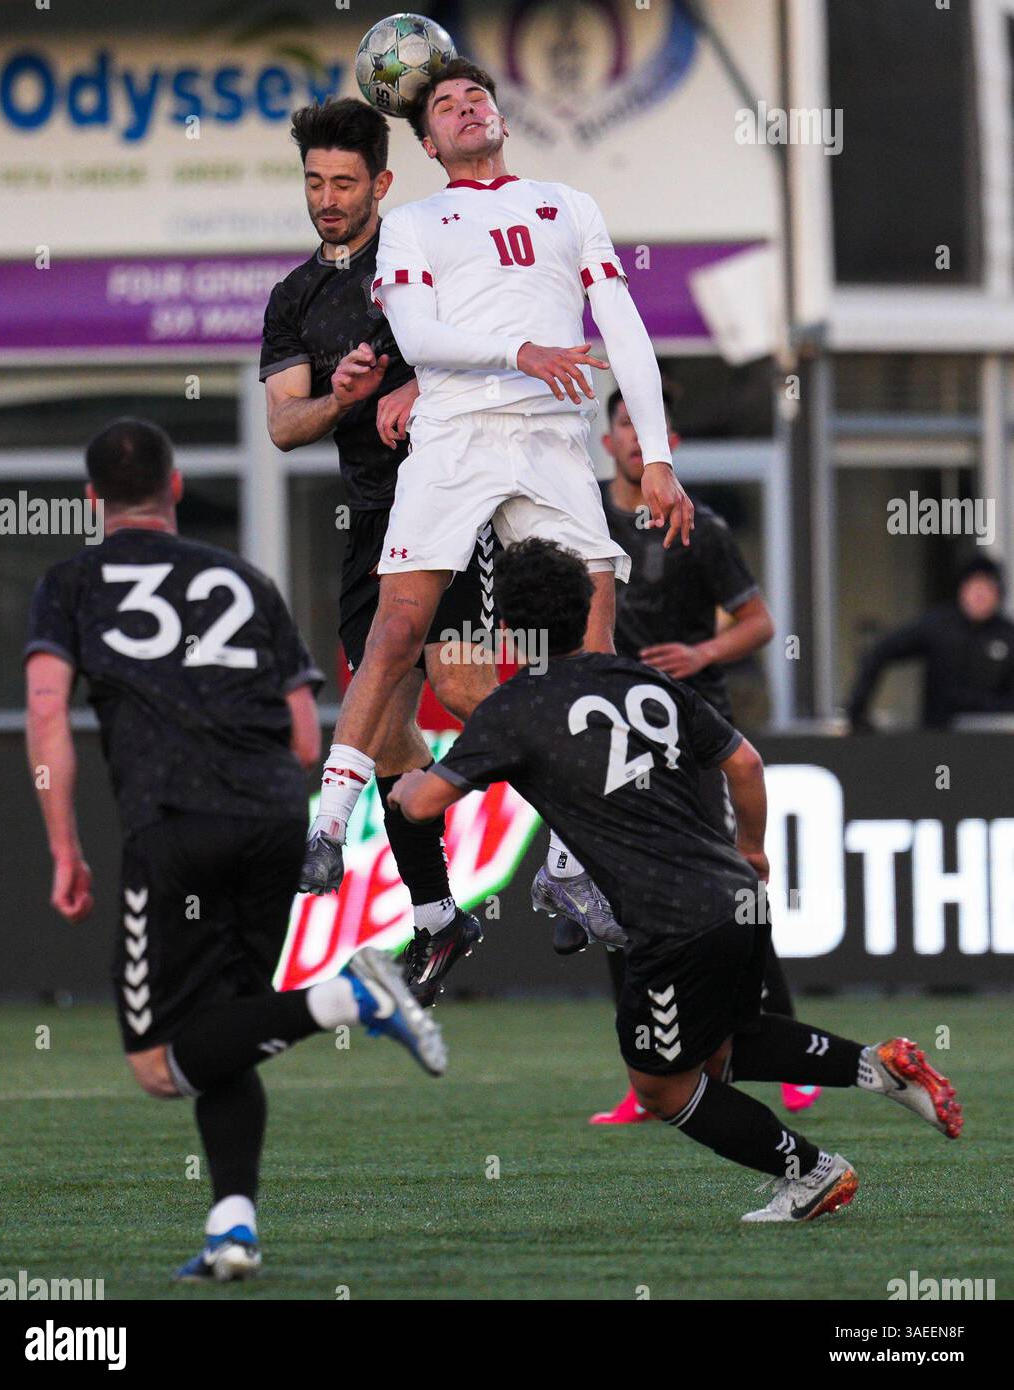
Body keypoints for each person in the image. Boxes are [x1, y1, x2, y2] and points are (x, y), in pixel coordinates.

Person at [389, 539, 962, 1223]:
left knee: (662, 1089)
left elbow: (423, 804)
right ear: (586, 611)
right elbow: (744, 765)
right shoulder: (647, 682)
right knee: (722, 1045)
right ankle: (879, 1066)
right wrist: (751, 853)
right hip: (733, 892)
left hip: (669, 922)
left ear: (509, 631)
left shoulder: (515, 705)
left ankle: (813, 1172)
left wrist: (401, 779)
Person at [24, 418, 445, 1283]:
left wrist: (65, 848)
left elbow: (45, 720)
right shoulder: (242, 578)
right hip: (267, 821)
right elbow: (302, 738)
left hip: (173, 826)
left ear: (91, 500)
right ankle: (233, 1230)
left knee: (157, 1065)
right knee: (227, 1030)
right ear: (176, 489)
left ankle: (344, 998)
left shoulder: (70, 583)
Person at [300, 59, 694, 969]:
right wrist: (521, 348)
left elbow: (623, 327)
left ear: (499, 119)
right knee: (397, 633)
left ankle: (565, 855)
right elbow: (423, 337)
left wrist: (662, 456)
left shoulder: (568, 202)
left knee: (593, 626)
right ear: (429, 143)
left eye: (476, 96)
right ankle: (327, 821)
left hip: (553, 438)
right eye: (444, 104)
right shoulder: (412, 223)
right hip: (456, 431)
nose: (466, 106)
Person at [260, 97, 497, 1002]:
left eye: (344, 183)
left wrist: (419, 394)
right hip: (371, 522)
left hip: (448, 499)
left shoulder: (420, 249)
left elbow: (481, 348)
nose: (327, 198)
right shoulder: (295, 297)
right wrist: (347, 397)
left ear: (382, 185)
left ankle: (582, 847)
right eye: (315, 181)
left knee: (463, 688)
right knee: (389, 725)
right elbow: (284, 426)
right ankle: (437, 915)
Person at [577, 388, 816, 1122]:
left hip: (697, 726)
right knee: (619, 897)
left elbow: (758, 621)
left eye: (647, 427)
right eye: (623, 424)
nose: (636, 437)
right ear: (608, 437)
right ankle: (645, 1069)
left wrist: (702, 650)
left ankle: (790, 1055)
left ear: (661, 440)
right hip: (611, 732)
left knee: (728, 887)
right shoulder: (575, 515)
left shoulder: (696, 525)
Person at [847, 555, 1014, 730]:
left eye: (987, 587)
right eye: (974, 586)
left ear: (998, 593)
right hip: (939, 736)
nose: (980, 594)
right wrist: (856, 711)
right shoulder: (938, 626)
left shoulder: (1008, 635)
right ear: (962, 590)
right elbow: (881, 650)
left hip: (993, 736)